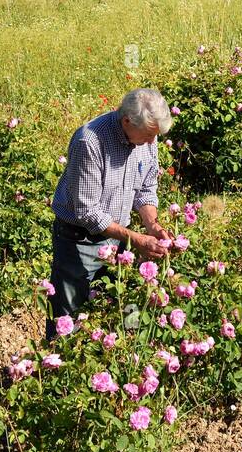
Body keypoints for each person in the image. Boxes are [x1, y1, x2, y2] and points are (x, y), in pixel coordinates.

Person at [45, 88, 173, 341]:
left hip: (120, 240)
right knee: (67, 319)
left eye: (154, 136)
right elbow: (87, 212)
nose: (151, 142)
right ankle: (54, 371)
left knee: (125, 310)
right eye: (148, 135)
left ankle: (119, 367)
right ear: (127, 121)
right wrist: (135, 239)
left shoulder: (148, 136)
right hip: (79, 241)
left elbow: (146, 190)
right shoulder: (90, 142)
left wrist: (152, 226)